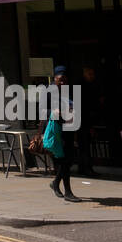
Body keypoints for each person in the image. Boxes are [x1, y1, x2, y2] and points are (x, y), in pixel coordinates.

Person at [45, 66, 79, 202]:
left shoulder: (69, 91)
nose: (63, 82)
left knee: (68, 160)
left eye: (65, 79)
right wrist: (54, 112)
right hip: (58, 130)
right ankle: (68, 192)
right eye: (60, 80)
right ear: (55, 79)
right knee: (63, 160)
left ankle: (55, 183)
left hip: (70, 128)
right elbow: (42, 111)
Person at [76, 65, 103, 177]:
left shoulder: (88, 86)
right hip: (83, 120)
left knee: (84, 146)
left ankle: (83, 167)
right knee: (85, 145)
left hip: (84, 120)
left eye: (93, 74)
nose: (92, 76)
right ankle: (86, 168)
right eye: (90, 74)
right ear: (84, 74)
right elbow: (84, 106)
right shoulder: (83, 87)